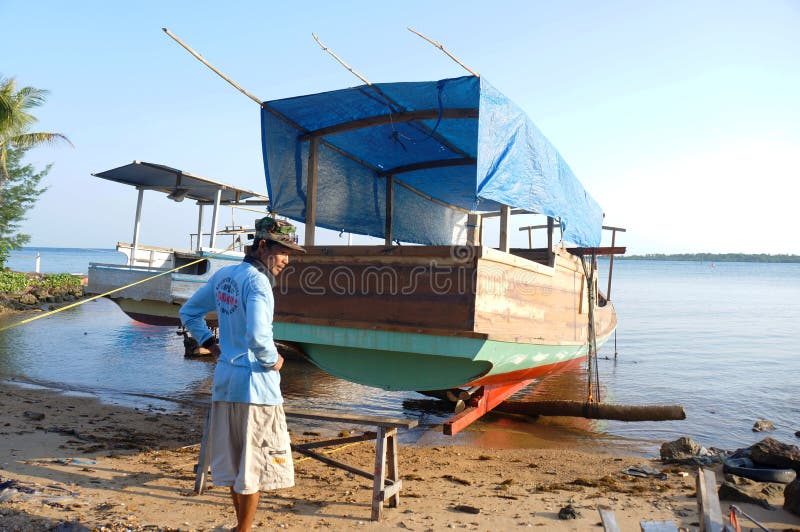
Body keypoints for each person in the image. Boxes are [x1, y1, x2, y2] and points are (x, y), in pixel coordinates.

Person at [179, 216, 306, 532]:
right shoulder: (258, 282)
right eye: (282, 251)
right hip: (255, 389)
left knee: (237, 463)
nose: (286, 260)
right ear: (263, 246)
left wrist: (211, 344)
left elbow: (189, 312)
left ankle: (239, 526)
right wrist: (272, 360)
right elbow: (258, 336)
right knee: (254, 466)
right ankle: (244, 530)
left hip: (225, 384)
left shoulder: (225, 276)